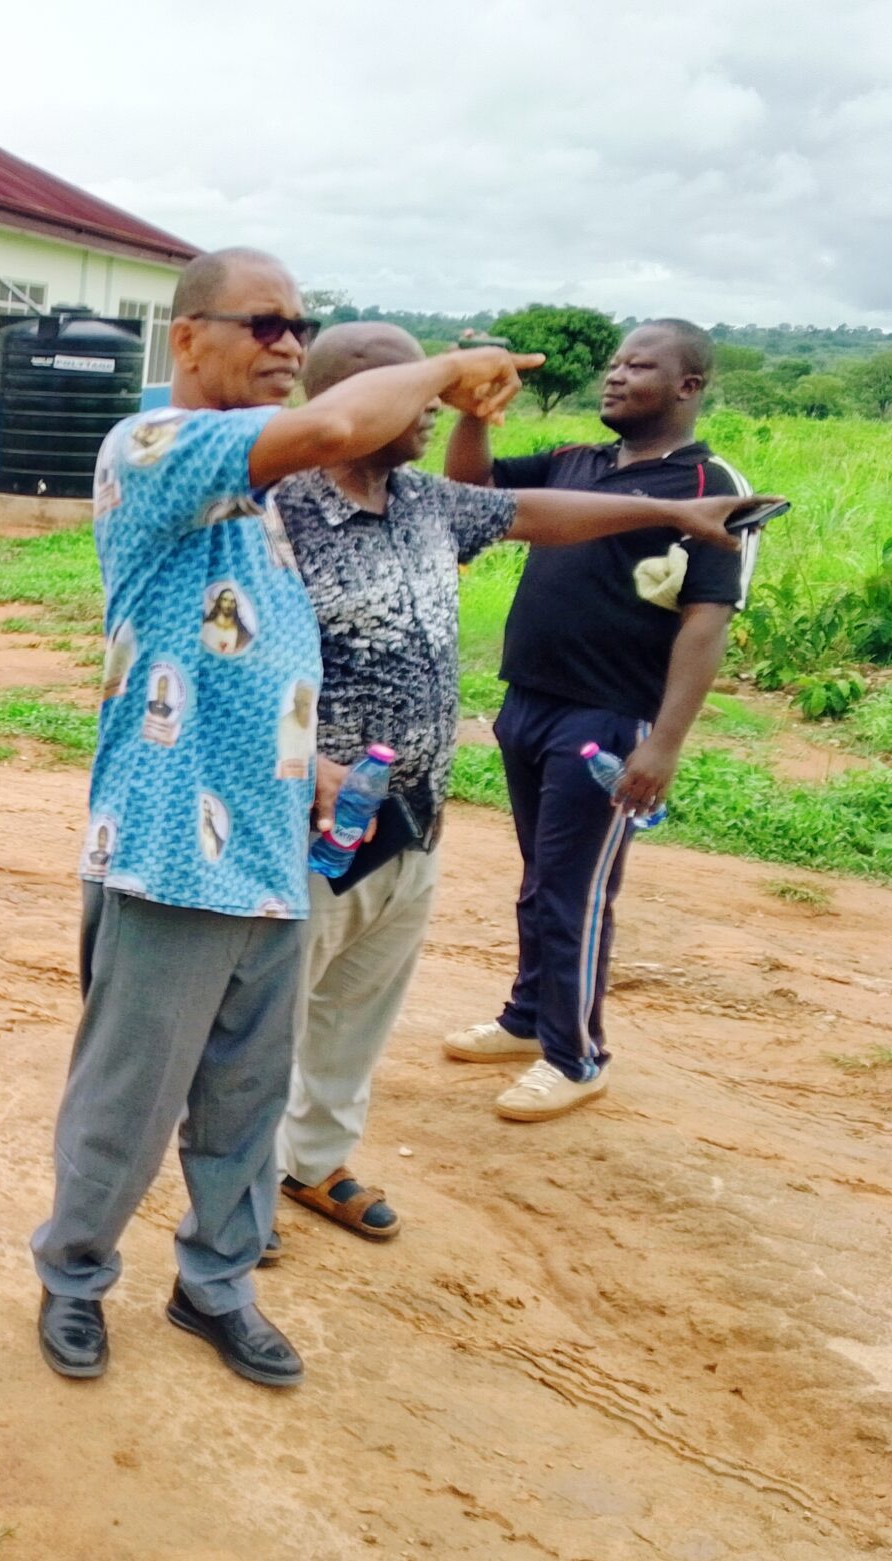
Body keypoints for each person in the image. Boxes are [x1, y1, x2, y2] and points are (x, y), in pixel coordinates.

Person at [29, 247, 539, 1388]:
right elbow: (332, 427)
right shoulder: (151, 446)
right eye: (264, 324)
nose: (290, 346)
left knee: (248, 1104)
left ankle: (214, 1286)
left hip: (269, 850)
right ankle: (74, 1276)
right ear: (188, 339)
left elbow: (256, 657)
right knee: (128, 1102)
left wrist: (306, 767)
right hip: (170, 855)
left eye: (300, 327)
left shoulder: (259, 512)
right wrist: (451, 368)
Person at [268, 324, 760, 1244]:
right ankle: (237, 1193)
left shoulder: (426, 502)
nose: (432, 407)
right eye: (417, 391)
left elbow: (534, 512)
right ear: (354, 403)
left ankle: (314, 1160)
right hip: (310, 817)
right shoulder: (276, 513)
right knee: (269, 1019)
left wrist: (675, 517)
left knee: (357, 1012)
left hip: (413, 818)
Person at [443, 320, 758, 1121]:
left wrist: (664, 742)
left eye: (638, 366)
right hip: (528, 700)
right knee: (542, 878)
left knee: (574, 891)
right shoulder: (574, 461)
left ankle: (575, 1056)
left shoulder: (709, 484)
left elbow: (707, 620)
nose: (615, 375)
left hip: (609, 720)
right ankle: (527, 1018)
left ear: (689, 385)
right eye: (615, 363)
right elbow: (471, 492)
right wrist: (474, 411)